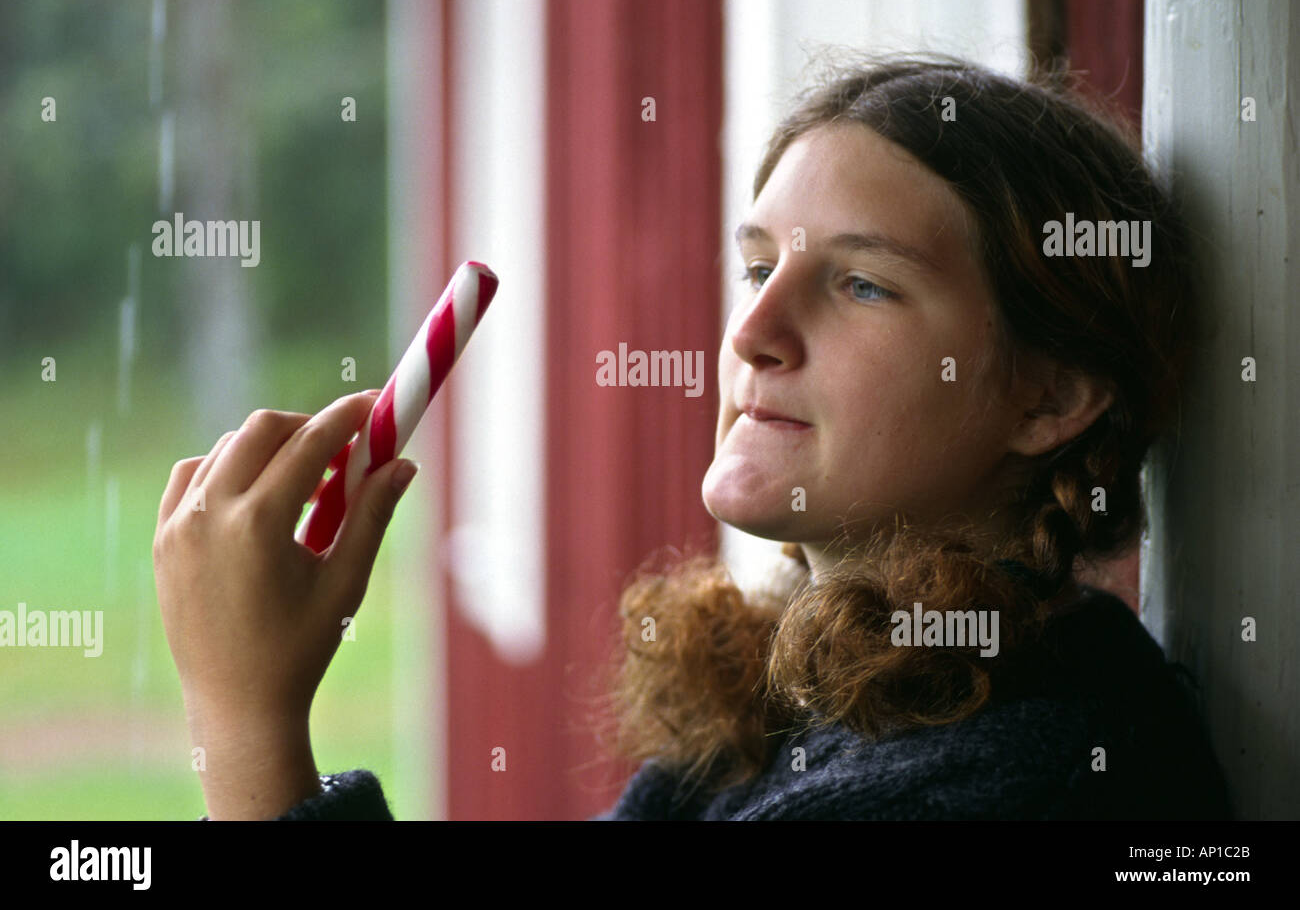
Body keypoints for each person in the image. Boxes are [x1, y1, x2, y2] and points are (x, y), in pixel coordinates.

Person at [153, 52, 1232, 821]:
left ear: (1047, 396)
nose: (751, 331)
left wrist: (246, 722)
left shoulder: (1028, 774)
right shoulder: (804, 708)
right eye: (758, 267)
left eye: (860, 283)